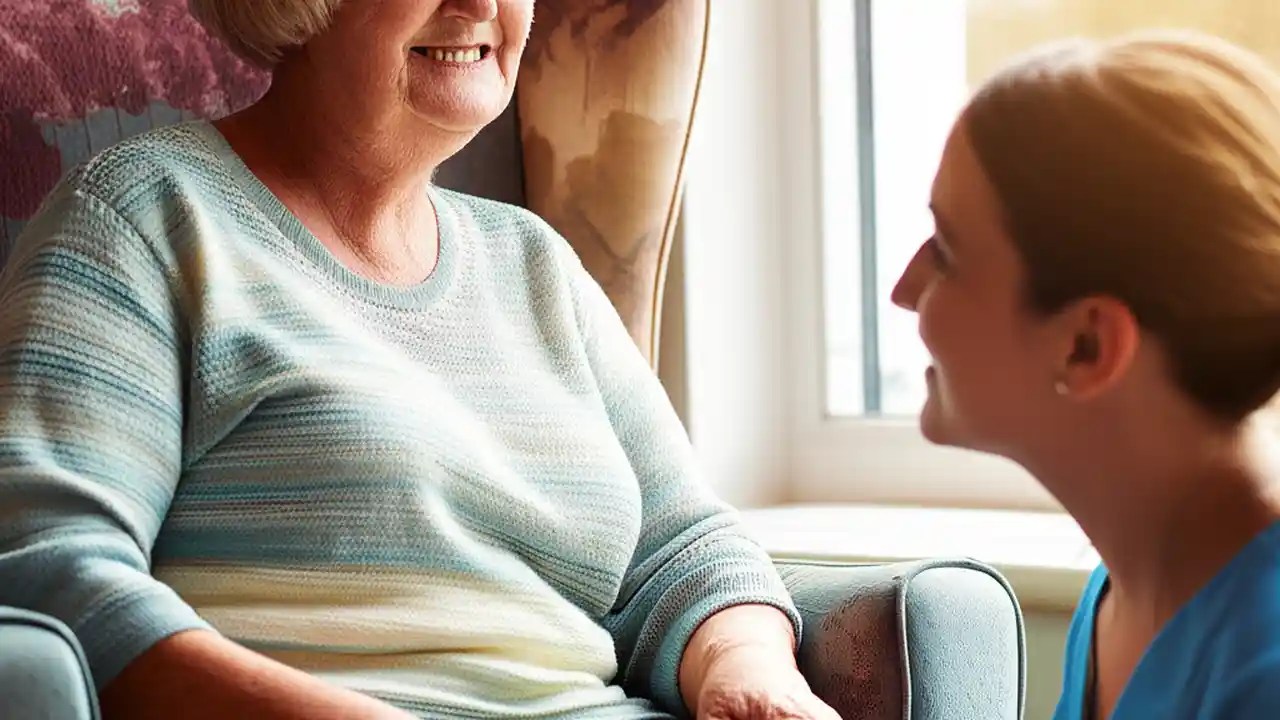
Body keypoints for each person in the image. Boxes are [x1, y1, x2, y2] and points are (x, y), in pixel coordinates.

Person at [0, 1, 839, 718]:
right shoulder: (146, 218)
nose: (480, 3)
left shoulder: (533, 263)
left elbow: (686, 553)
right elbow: (51, 577)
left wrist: (749, 674)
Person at [892, 30, 1280, 719]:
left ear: (1086, 346)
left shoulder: (1265, 667)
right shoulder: (1120, 590)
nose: (903, 288)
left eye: (946, 253)